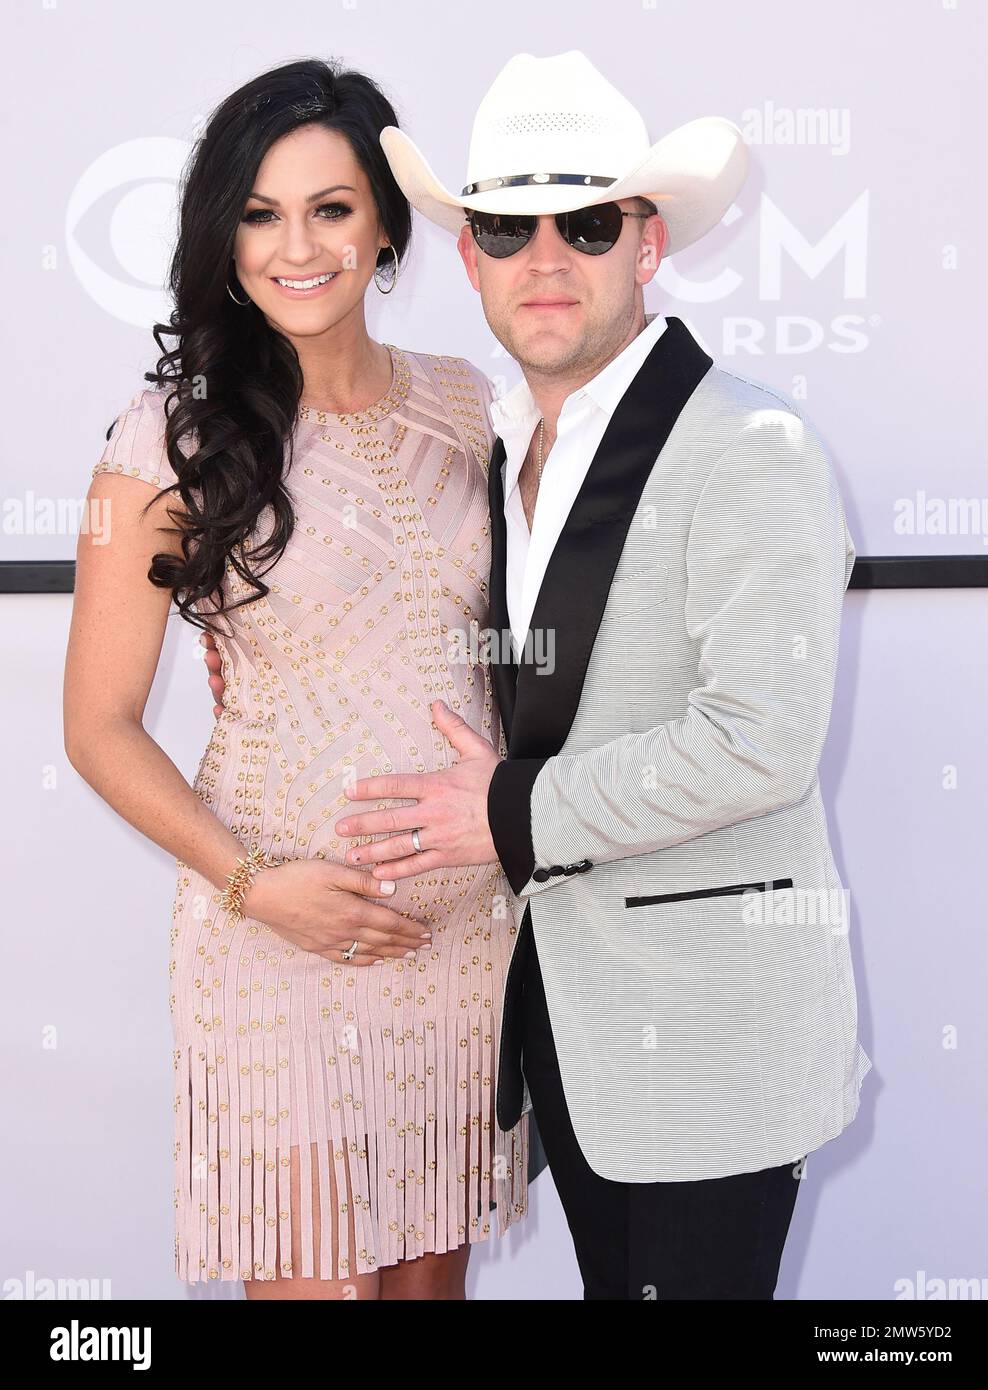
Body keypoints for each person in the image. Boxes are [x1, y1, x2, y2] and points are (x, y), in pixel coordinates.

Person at [326, 50, 873, 1300]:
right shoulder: (505, 445)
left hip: (713, 1045)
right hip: (571, 1028)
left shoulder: (754, 446)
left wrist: (506, 811)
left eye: (584, 222)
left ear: (648, 243)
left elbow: (758, 741)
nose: (545, 259)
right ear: (467, 260)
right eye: (508, 229)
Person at [63, 57, 528, 1301]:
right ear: (223, 236)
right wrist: (259, 887)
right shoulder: (167, 436)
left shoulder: (470, 402)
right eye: (261, 214)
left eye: (330, 207)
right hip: (278, 933)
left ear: (383, 219)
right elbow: (99, 727)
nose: (296, 246)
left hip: (461, 928)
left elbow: (508, 648)